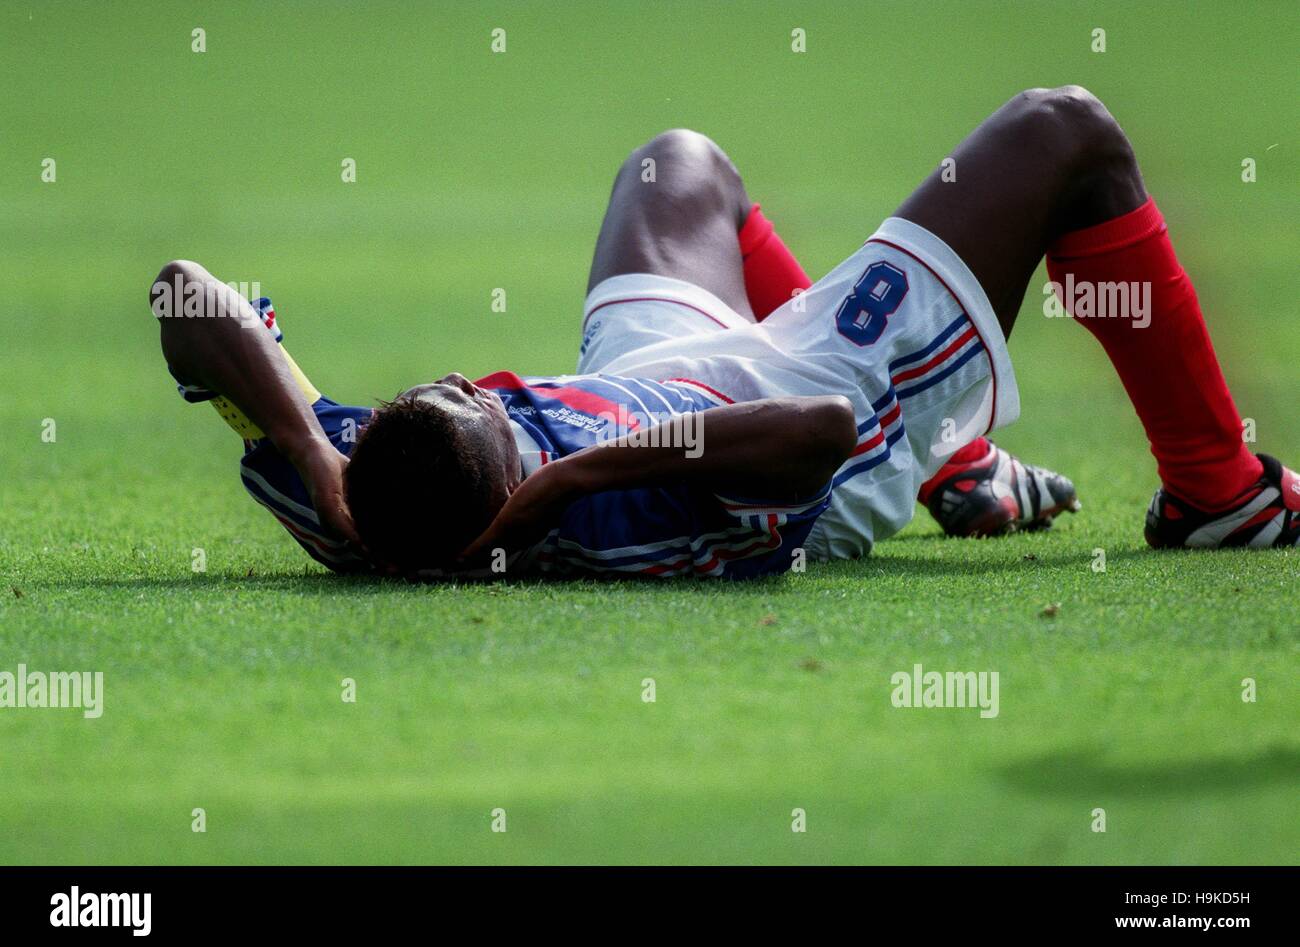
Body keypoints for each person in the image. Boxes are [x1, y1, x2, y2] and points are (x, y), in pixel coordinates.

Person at [152, 86, 1297, 579]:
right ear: (515, 502)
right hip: (820, 393)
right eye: (477, 401)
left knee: (677, 161)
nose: (467, 378)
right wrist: (573, 474)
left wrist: (313, 450)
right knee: (1068, 134)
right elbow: (819, 427)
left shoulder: (385, 501)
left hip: (643, 375)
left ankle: (968, 468)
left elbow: (180, 293)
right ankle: (1217, 494)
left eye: (454, 390)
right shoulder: (618, 510)